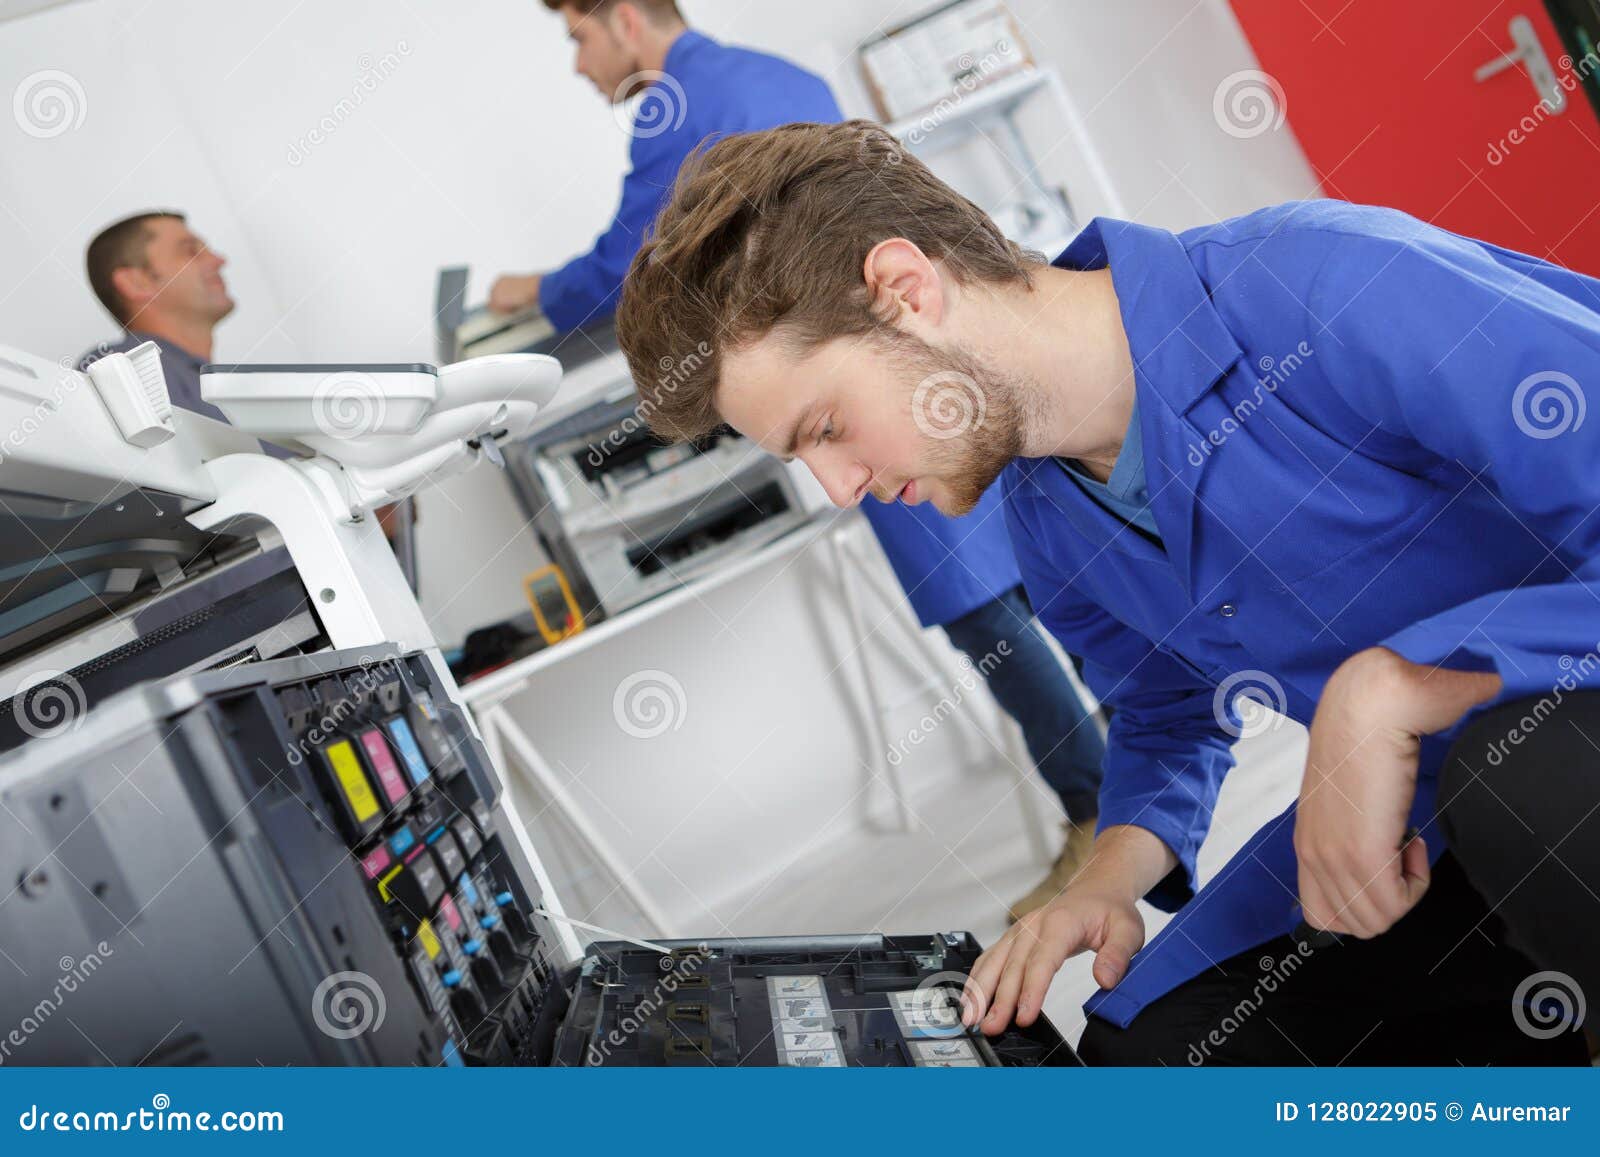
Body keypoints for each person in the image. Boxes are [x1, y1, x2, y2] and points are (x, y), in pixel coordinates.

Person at [613, 120, 1600, 1065]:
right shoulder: (1045, 516)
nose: (839, 488)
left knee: (1522, 779)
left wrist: (1400, 685)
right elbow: (1168, 709)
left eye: (824, 425)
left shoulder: (1322, 283)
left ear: (905, 288)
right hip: (1431, 835)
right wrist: (1106, 873)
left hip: (1549, 767)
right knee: (1158, 1043)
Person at [494, 2, 1106, 918]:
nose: (580, 67)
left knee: (985, 616)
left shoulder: (683, 107)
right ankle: (1138, 783)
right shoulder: (775, 77)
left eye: (579, 38)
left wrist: (527, 294)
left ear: (623, 19)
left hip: (865, 398)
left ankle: (1099, 818)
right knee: (1050, 575)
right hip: (918, 370)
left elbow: (628, 266)